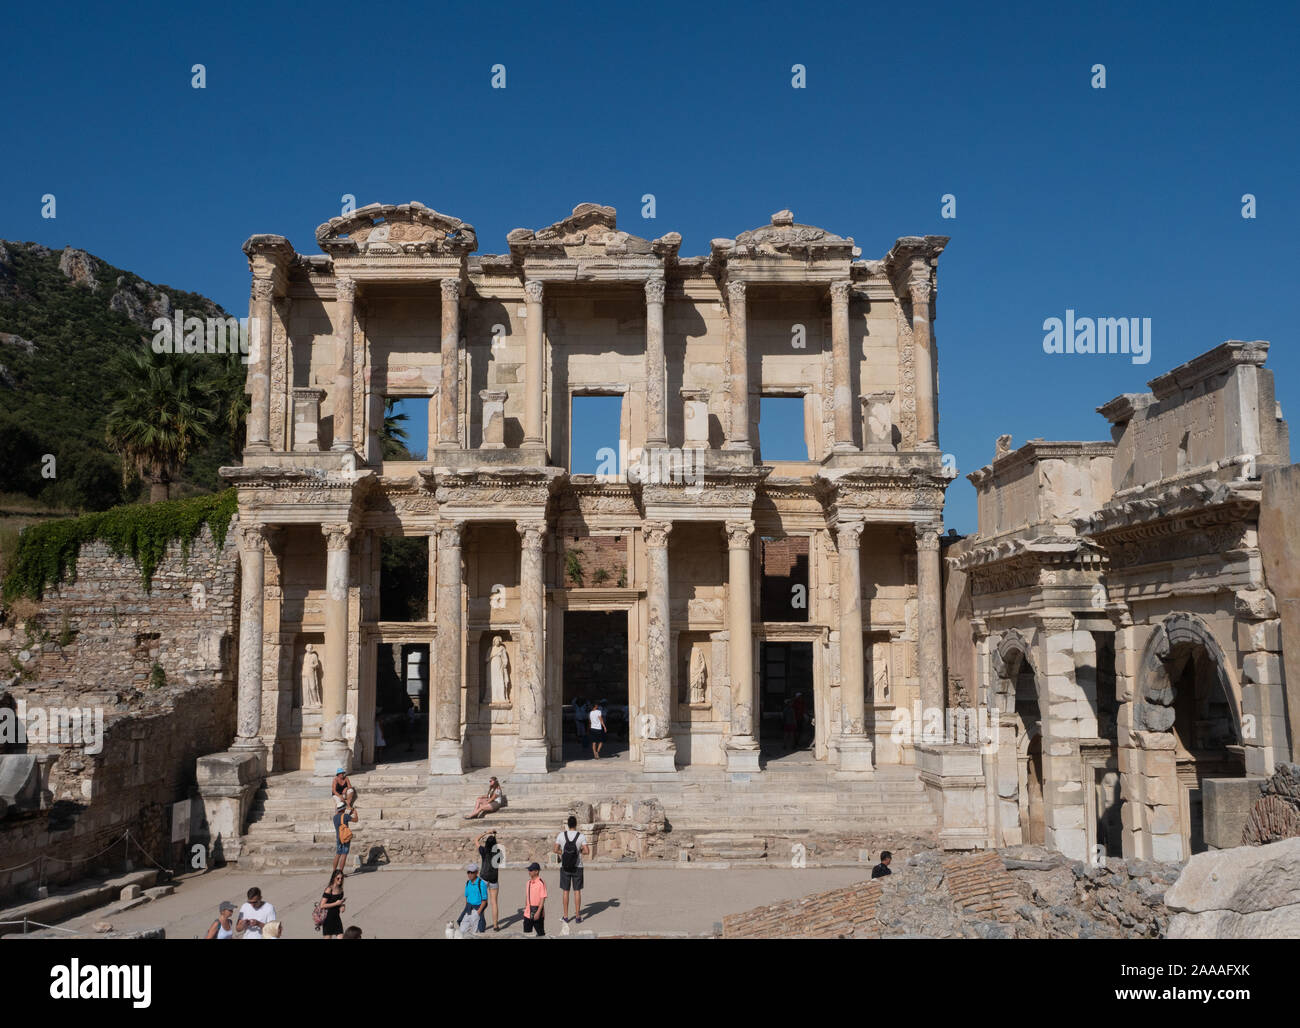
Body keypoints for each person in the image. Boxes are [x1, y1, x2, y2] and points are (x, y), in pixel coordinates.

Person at [554, 815, 590, 925]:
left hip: (565, 866)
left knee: (566, 891)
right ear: (576, 824)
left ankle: (565, 916)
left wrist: (564, 853)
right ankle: (578, 916)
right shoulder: (581, 836)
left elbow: (555, 850)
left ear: (568, 824)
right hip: (577, 866)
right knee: (577, 891)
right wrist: (578, 853)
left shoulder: (561, 835)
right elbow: (587, 851)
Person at [477, 830, 504, 931]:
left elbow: (476, 839)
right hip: (494, 878)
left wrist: (486, 832)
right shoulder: (498, 852)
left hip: (484, 877)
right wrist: (494, 836)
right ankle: (495, 925)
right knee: (494, 903)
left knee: (482, 901)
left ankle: (481, 925)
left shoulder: (483, 850)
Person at [459, 863, 489, 934]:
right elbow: (467, 896)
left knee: (475, 933)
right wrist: (466, 908)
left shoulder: (481, 884)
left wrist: (478, 912)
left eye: (472, 872)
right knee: (462, 930)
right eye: (468, 872)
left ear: (476, 872)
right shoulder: (467, 883)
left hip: (477, 909)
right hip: (468, 909)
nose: (470, 874)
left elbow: (484, 900)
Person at [332, 794, 357, 873]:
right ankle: (340, 872)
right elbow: (355, 820)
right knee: (344, 854)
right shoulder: (345, 816)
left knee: (338, 854)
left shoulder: (335, 817)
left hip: (338, 837)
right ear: (343, 809)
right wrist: (355, 812)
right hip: (345, 837)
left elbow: (341, 818)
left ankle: (334, 872)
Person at [320, 869, 347, 938]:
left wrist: (342, 906)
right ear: (334, 878)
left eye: (341, 878)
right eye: (338, 878)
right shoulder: (329, 889)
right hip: (327, 918)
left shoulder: (340, 890)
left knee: (341, 936)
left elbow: (339, 903)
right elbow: (322, 905)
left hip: (336, 917)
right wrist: (336, 904)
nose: (340, 880)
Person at [523, 862, 546, 937]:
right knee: (526, 934)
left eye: (531, 870)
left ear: (537, 871)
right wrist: (526, 907)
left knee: (541, 934)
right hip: (528, 912)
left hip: (537, 911)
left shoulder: (541, 883)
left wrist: (538, 912)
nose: (529, 872)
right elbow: (527, 896)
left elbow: (542, 899)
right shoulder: (528, 883)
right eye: (529, 870)